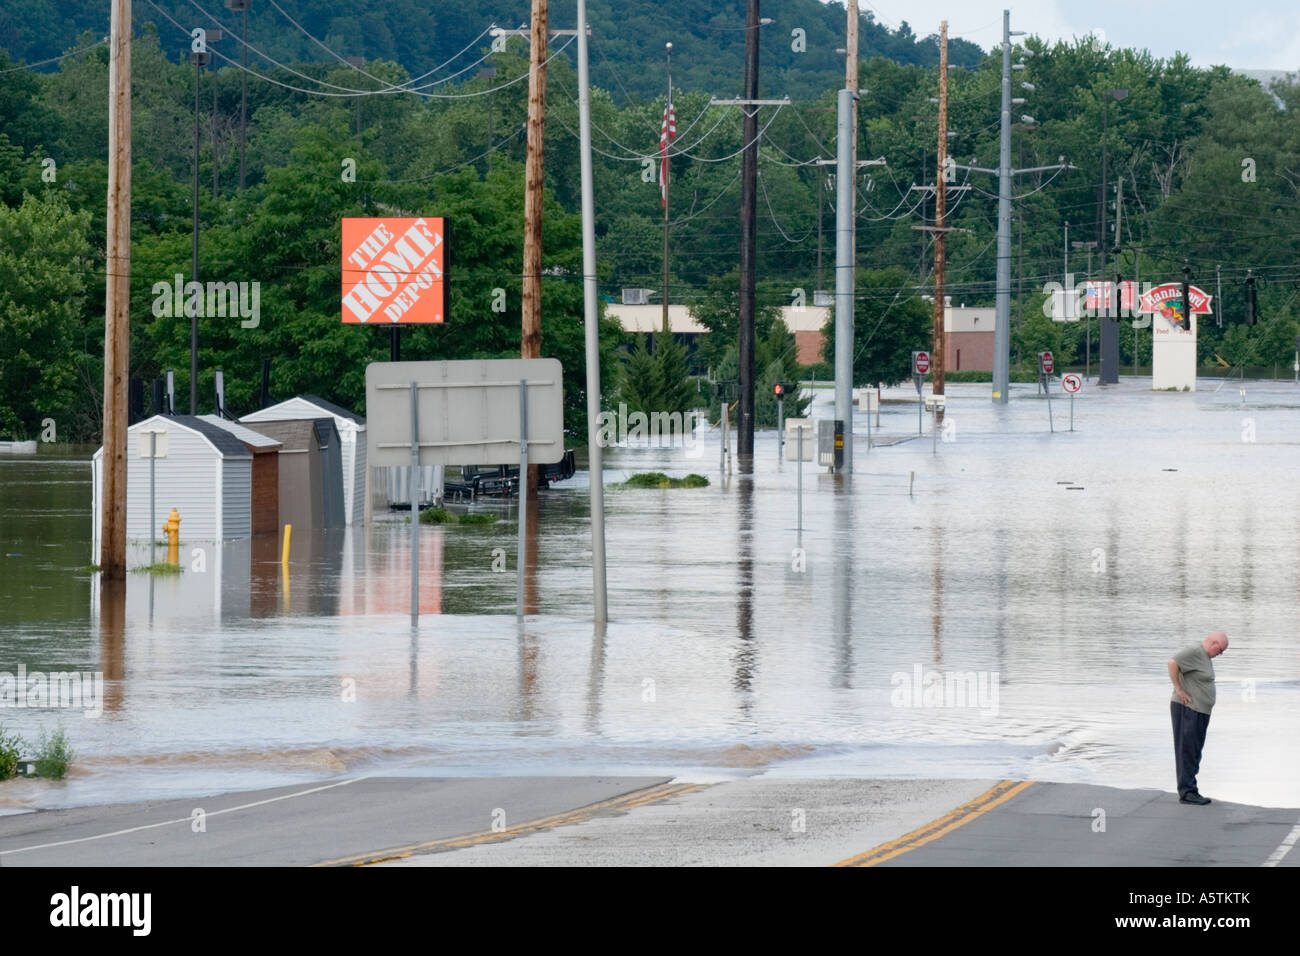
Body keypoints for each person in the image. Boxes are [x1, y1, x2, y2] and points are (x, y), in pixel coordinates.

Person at [1167, 631, 1228, 805]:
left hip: (1199, 711)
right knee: (1187, 749)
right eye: (1221, 650)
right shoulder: (1195, 651)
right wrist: (1179, 689)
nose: (1220, 654)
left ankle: (1191, 789)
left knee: (1194, 751)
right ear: (1214, 644)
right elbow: (1172, 662)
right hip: (1188, 709)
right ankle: (1187, 792)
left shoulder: (1204, 657)